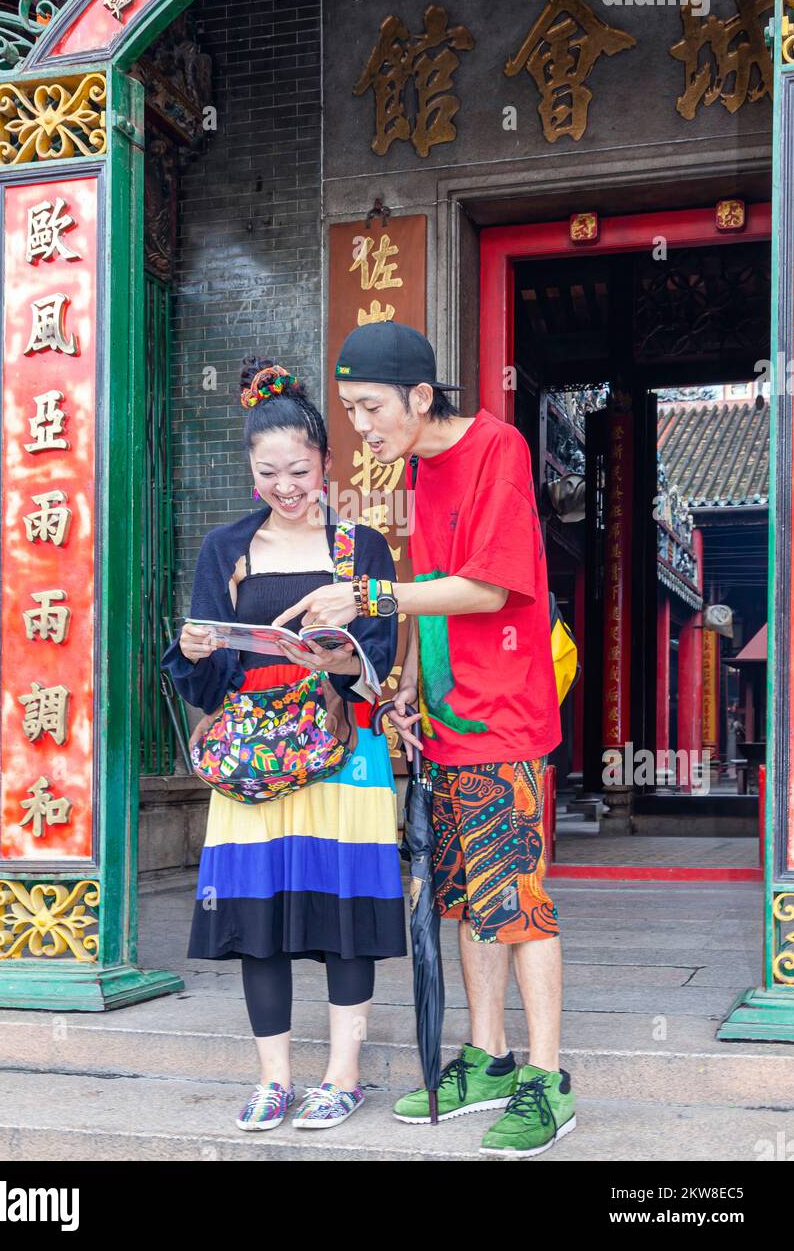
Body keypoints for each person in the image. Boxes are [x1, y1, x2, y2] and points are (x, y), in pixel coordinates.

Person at [275, 320, 573, 1158]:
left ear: (416, 396)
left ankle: (548, 1081)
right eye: (349, 410)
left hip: (504, 717)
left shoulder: (498, 449)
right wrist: (404, 677)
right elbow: (423, 585)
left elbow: (486, 587)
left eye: (369, 408)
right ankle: (487, 1058)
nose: (360, 427)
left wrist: (367, 596)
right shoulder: (417, 468)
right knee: (466, 899)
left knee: (518, 900)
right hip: (443, 720)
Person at [161, 359, 406, 1133]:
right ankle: (274, 1078)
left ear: (326, 464)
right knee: (258, 913)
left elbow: (380, 652)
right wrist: (198, 651)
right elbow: (203, 677)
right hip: (252, 755)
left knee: (343, 908)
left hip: (344, 745)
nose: (285, 485)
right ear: (251, 471)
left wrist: (331, 658)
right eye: (268, 472)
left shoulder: (359, 546)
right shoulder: (225, 548)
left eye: (299, 469)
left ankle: (342, 1075)